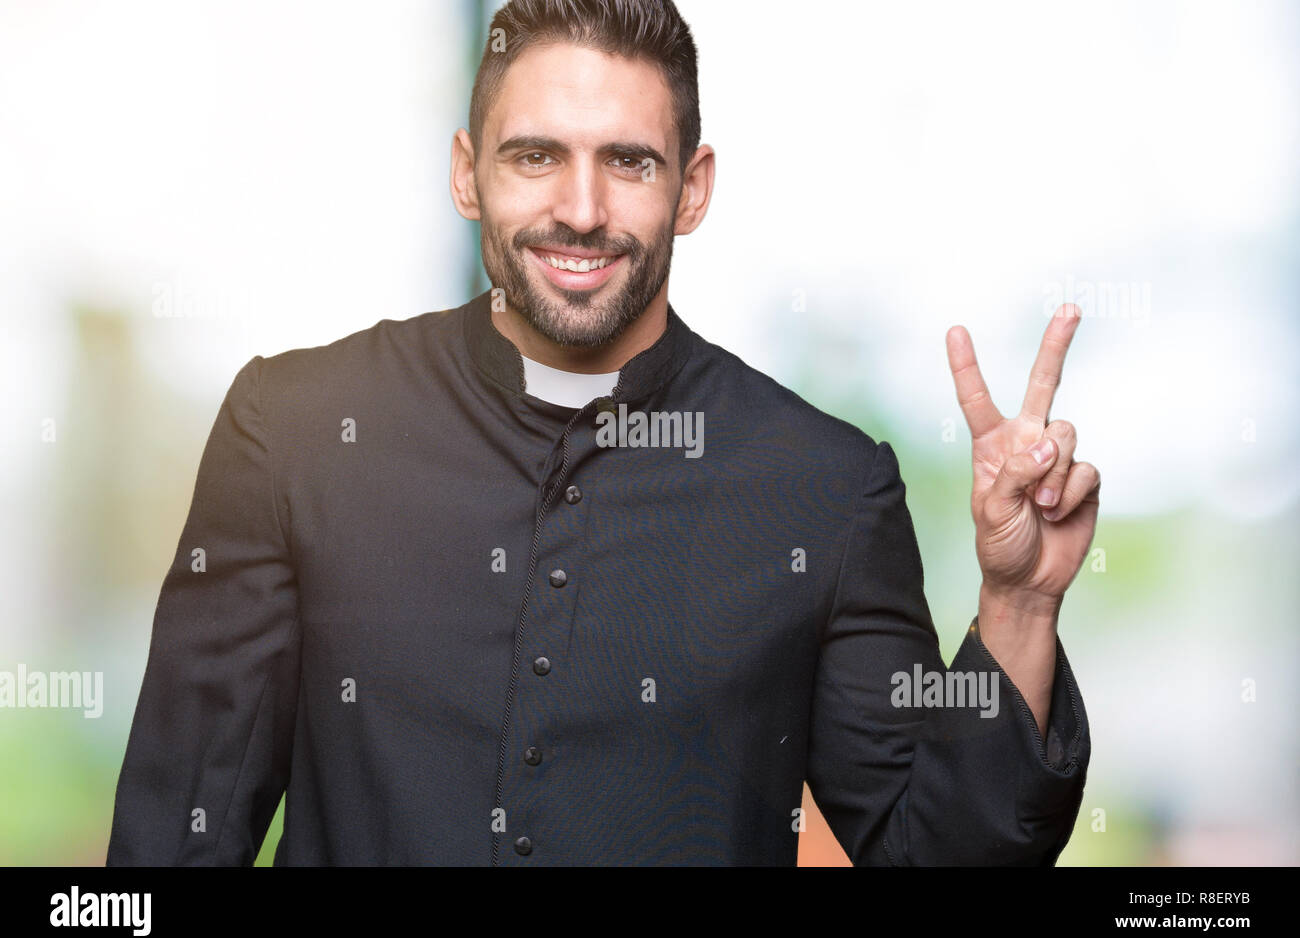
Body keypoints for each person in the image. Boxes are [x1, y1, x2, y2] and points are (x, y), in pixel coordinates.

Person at [107, 0, 1097, 866]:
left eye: (627, 161)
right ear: (466, 172)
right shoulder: (295, 429)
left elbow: (938, 847)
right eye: (536, 155)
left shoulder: (823, 489)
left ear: (693, 187)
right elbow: (174, 839)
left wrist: (1015, 604)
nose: (579, 211)